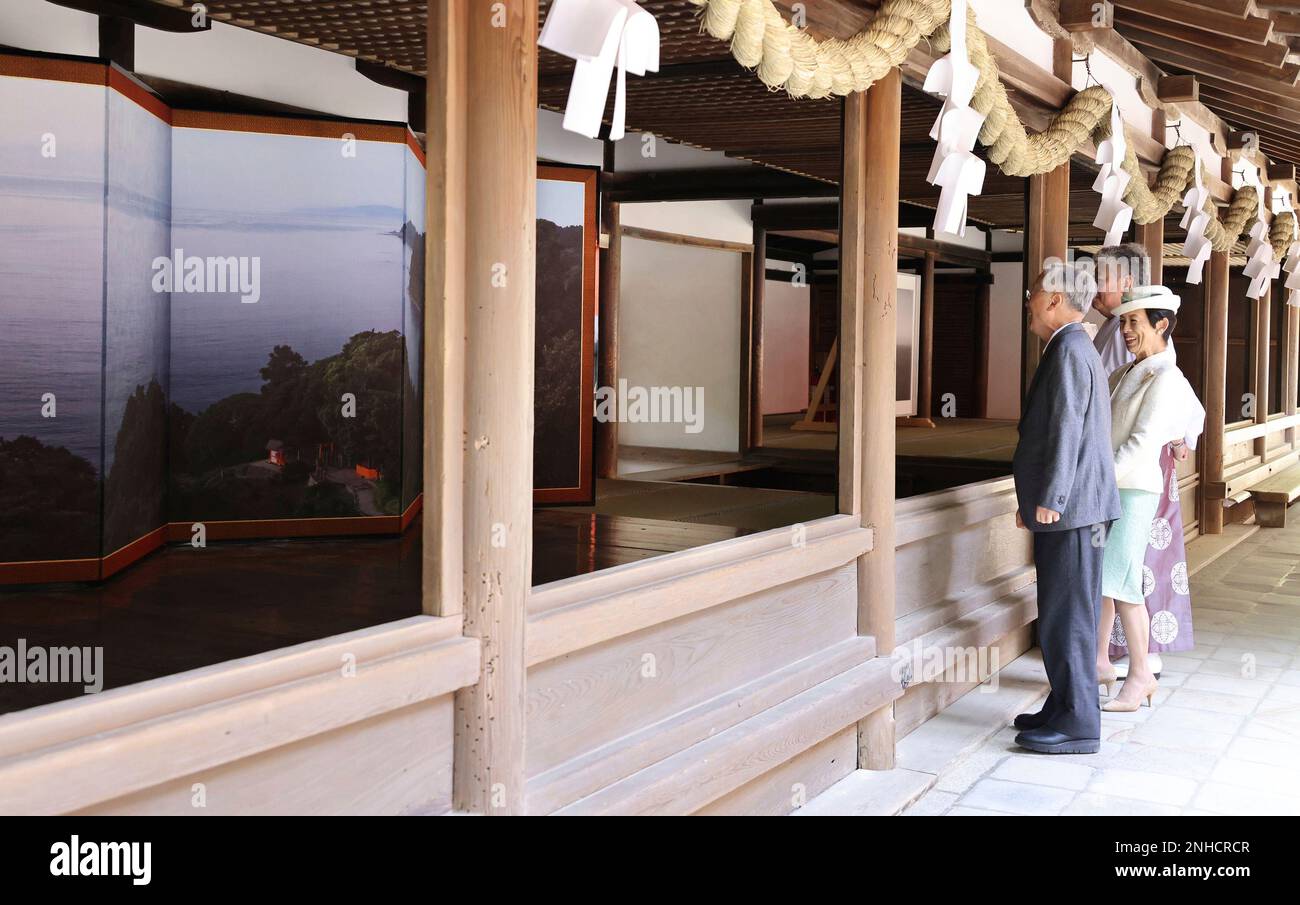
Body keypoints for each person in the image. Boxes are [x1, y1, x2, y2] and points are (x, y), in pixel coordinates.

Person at [1011, 262, 1122, 754]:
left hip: (1074, 509)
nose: (1028, 304)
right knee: (1059, 613)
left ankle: (1079, 723)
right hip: (1072, 508)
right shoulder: (1070, 347)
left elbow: (1066, 432)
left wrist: (1051, 499)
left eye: (1033, 294)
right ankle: (1063, 704)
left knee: (1070, 615)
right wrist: (1035, 500)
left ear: (1054, 298)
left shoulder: (1071, 350)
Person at [1090, 245, 1204, 688]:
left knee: (1126, 576)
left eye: (1102, 277)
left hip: (1133, 476)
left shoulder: (1160, 366)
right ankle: (1104, 659)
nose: (1095, 287)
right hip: (1117, 471)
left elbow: (1150, 431)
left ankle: (1139, 665)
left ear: (1127, 283)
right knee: (1111, 577)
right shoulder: (1122, 343)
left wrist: (1174, 436)